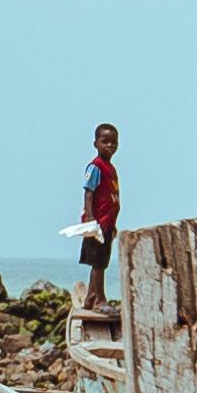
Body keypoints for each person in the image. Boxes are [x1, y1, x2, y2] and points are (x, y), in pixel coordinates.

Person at [77, 122, 121, 300]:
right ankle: (100, 298)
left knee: (101, 260)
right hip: (97, 222)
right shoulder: (96, 166)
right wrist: (89, 216)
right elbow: (89, 191)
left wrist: (113, 224)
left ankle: (91, 296)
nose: (109, 145)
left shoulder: (110, 168)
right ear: (96, 144)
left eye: (113, 142)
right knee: (99, 263)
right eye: (105, 141)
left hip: (107, 222)